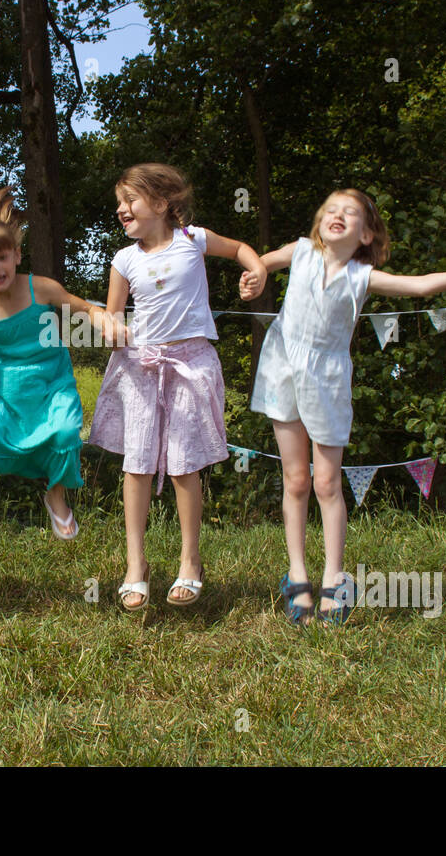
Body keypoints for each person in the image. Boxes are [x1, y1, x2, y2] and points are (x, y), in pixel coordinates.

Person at [242, 188, 446, 625]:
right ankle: (298, 576)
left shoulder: (362, 277)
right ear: (320, 222)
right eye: (331, 209)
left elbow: (420, 286)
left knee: (325, 483)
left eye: (351, 213)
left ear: (366, 234)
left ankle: (334, 578)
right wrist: (255, 276)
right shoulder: (302, 251)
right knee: (295, 479)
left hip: (326, 381)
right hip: (282, 367)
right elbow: (262, 262)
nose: (338, 215)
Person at [88, 163, 267, 610]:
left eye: (130, 200)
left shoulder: (194, 239)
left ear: (163, 204)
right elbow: (112, 313)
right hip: (141, 366)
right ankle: (136, 564)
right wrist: (110, 328)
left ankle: (191, 560)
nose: (121, 209)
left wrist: (257, 270)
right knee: (137, 466)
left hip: (190, 363)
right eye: (119, 202)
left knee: (185, 464)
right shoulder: (124, 259)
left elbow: (243, 249)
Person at [0, 186, 126, 538]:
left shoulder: (40, 288)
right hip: (11, 388)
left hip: (53, 381)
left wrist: (101, 318)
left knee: (66, 431)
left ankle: (56, 495)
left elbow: (83, 307)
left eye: (2, 258)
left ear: (16, 256)